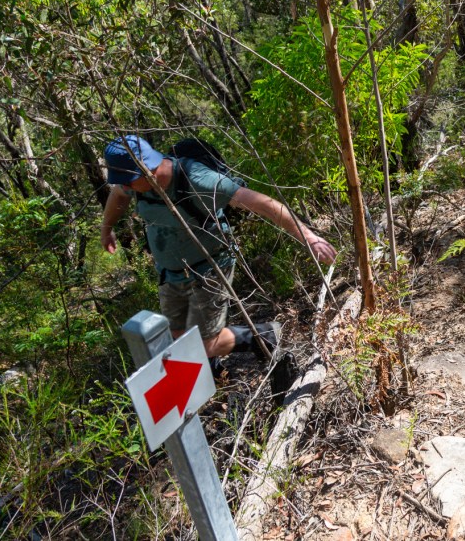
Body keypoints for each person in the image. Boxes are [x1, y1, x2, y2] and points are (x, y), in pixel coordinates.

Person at [100, 135, 336, 385]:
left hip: (210, 268)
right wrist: (106, 229)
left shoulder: (199, 180)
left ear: (146, 170)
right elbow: (119, 195)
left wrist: (309, 237)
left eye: (128, 181)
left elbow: (264, 204)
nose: (125, 186)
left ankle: (265, 336)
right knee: (176, 341)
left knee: (203, 344)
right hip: (169, 273)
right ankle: (214, 377)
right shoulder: (133, 183)